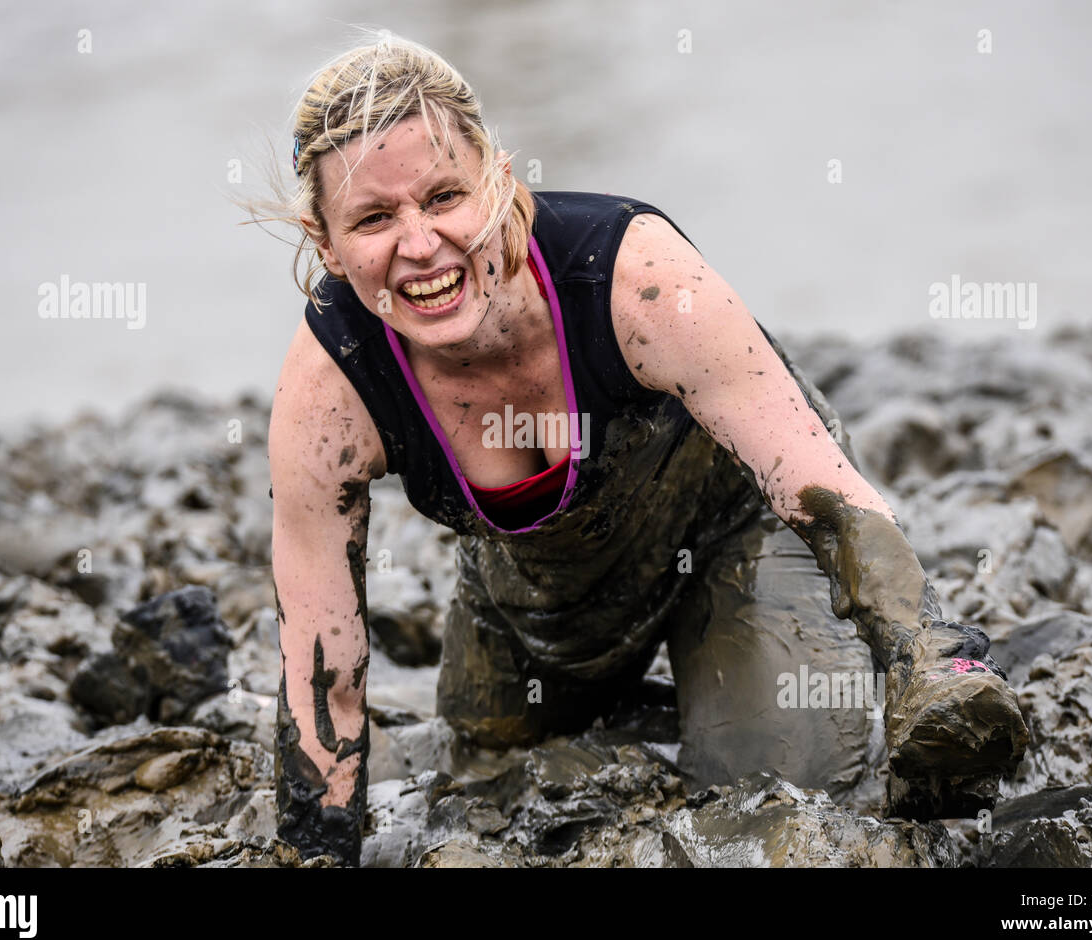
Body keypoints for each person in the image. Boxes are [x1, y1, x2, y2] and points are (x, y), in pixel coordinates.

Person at [259, 32, 1029, 867]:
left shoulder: (634, 279)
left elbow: (816, 485)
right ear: (327, 243)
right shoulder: (329, 393)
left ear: (498, 178)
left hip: (741, 532)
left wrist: (927, 664)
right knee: (485, 800)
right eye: (374, 219)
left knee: (762, 815)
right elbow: (323, 666)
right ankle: (670, 704)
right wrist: (314, 852)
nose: (418, 245)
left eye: (444, 197)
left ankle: (742, 675)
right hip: (535, 588)